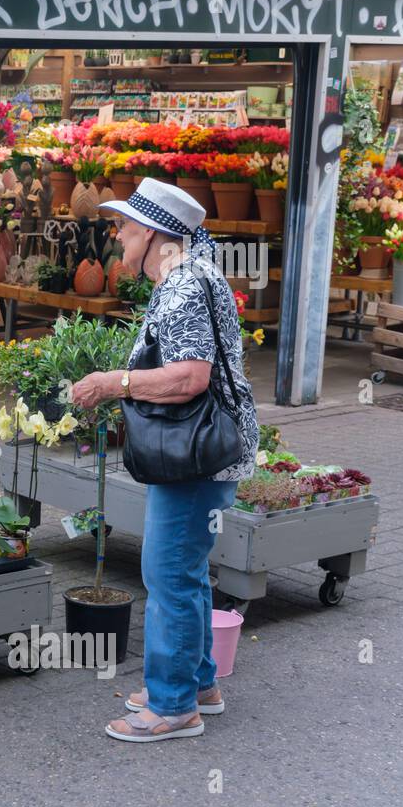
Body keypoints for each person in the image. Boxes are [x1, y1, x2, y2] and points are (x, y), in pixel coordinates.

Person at [69, 178, 259, 744]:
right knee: (188, 570)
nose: (118, 233)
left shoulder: (181, 287)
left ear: (153, 232)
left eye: (125, 224)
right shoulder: (194, 273)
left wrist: (114, 382)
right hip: (211, 449)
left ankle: (175, 707)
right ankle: (198, 682)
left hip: (194, 454)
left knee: (168, 572)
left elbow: (188, 377)